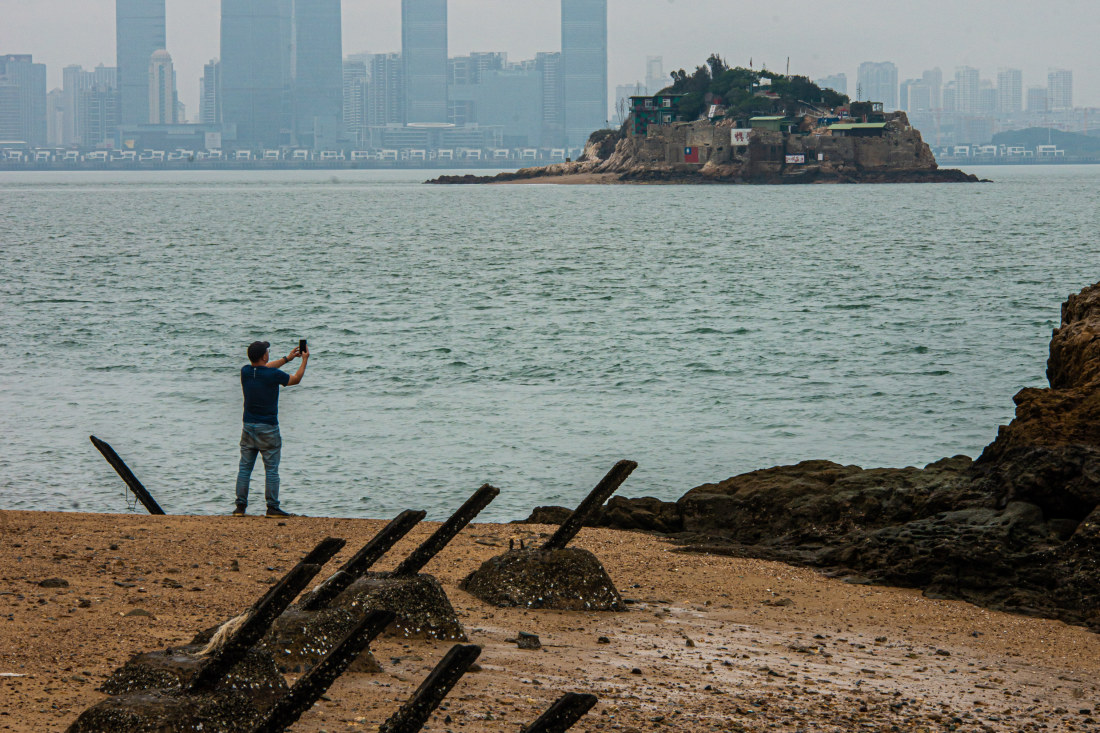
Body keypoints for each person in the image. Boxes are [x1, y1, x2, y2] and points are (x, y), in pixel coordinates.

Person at [233, 340, 309, 517]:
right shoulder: (273, 375)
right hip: (268, 427)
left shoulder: (245, 371)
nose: (268, 354)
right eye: (267, 351)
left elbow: (264, 368)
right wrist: (304, 360)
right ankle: (272, 506)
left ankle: (240, 507)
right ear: (263, 356)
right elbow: (296, 379)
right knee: (271, 469)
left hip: (248, 427)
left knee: (244, 469)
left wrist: (287, 359)